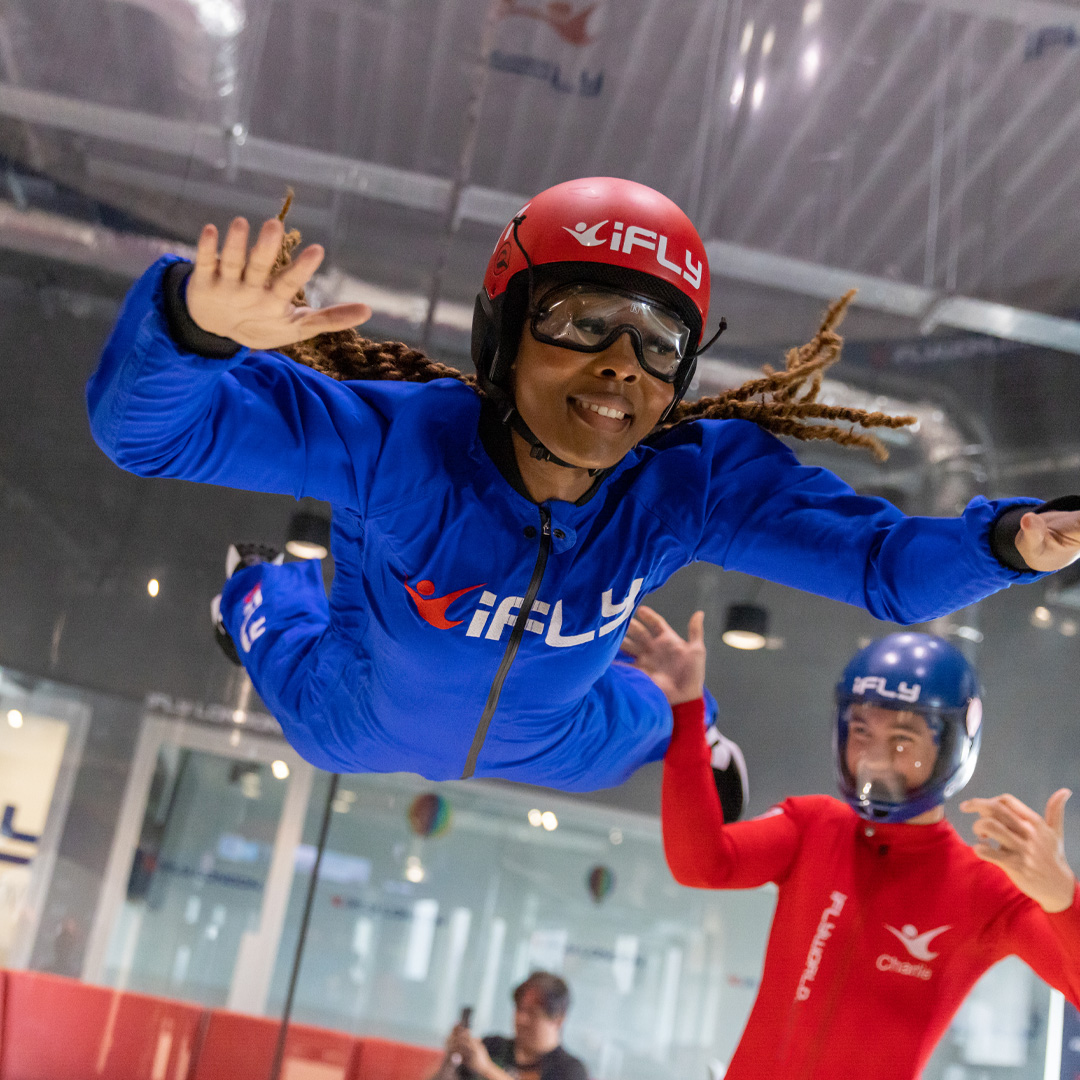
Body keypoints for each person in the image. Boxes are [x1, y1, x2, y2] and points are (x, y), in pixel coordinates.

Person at [86, 176, 1080, 800]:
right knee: (272, 626)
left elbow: (882, 570)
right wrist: (191, 323)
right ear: (504, 330)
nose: (621, 367)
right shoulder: (398, 444)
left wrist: (1006, 545)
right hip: (358, 716)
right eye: (581, 318)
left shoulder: (683, 488)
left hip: (559, 740)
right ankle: (255, 589)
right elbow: (151, 430)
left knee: (651, 723)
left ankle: (692, 727)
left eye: (660, 343)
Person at [634, 607, 1080, 1080]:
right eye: (862, 731)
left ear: (953, 746)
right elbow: (703, 865)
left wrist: (1061, 897)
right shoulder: (813, 825)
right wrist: (685, 712)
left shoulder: (985, 890)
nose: (876, 759)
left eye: (904, 738)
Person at [430, 971, 587, 1080]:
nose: (521, 1019)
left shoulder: (570, 1070)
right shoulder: (491, 1047)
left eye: (533, 1013)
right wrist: (450, 1060)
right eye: (519, 1009)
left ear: (558, 1020)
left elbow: (485, 1066)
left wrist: (487, 1069)